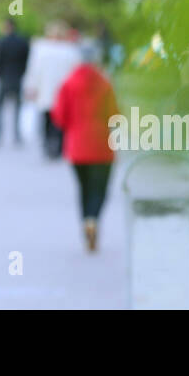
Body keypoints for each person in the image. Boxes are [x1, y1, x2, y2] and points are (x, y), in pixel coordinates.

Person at [51, 46, 119, 252]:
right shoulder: (105, 83)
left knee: (83, 188)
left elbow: (59, 116)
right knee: (100, 189)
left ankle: (86, 222)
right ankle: (93, 219)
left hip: (77, 145)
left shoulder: (68, 83)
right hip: (102, 145)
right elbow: (114, 114)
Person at [24, 21, 82, 161]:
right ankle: (59, 147)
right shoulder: (70, 51)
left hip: (46, 88)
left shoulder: (40, 49)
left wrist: (31, 87)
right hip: (63, 90)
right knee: (62, 119)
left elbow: (34, 71)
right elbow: (76, 71)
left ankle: (47, 143)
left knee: (47, 117)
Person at [0, 17, 30, 147]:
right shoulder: (22, 42)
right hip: (17, 78)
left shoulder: (1, 42)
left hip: (4, 78)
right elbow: (26, 61)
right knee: (17, 109)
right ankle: (17, 135)